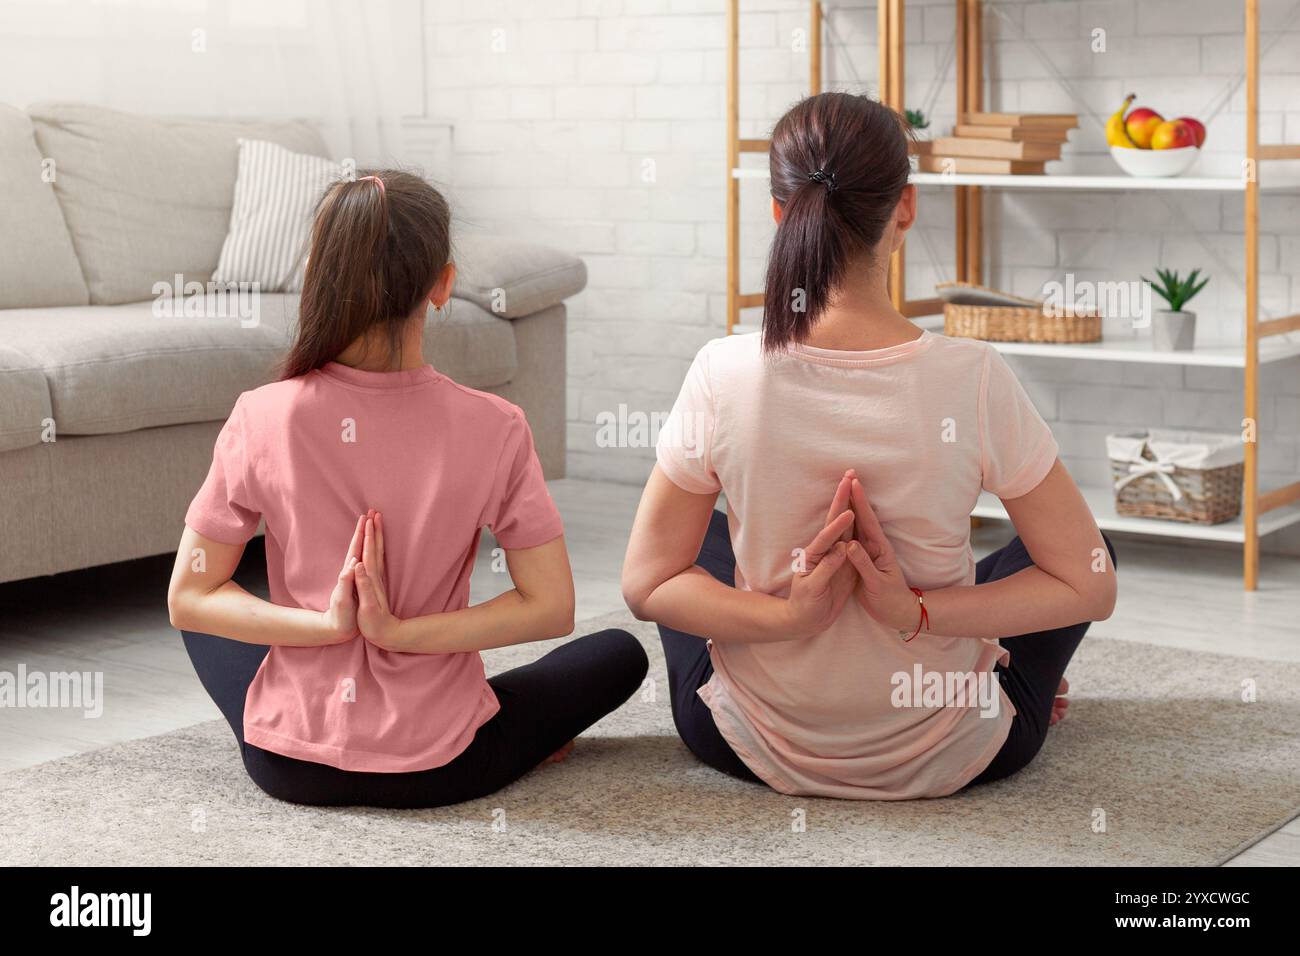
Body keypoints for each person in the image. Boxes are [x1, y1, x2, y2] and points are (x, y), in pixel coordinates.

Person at [622, 93, 1117, 799]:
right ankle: (998, 652)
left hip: (751, 743)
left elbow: (644, 585)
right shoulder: (973, 377)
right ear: (906, 208)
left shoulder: (721, 370)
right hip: (951, 750)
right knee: (1078, 547)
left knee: (693, 541)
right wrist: (915, 610)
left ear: (777, 212)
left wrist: (785, 615)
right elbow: (1091, 585)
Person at [168, 171, 647, 808]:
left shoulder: (261, 414)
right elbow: (551, 606)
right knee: (619, 653)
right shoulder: (495, 426)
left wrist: (325, 628)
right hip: (441, 768)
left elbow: (188, 600)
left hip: (286, 765)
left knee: (206, 609)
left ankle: (294, 702)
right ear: (443, 284)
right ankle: (477, 710)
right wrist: (399, 633)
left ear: (316, 270)